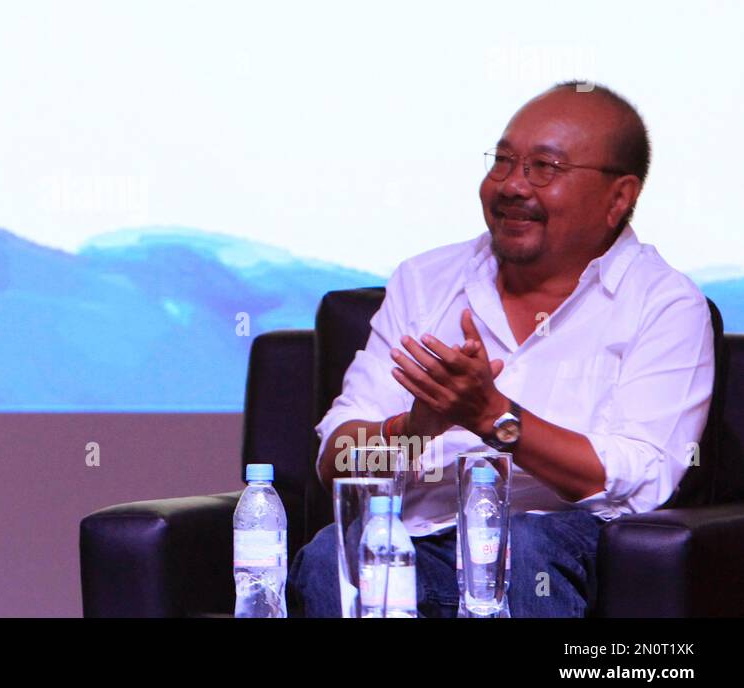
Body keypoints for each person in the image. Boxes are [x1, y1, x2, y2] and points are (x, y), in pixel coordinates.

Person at [289, 81, 714, 618]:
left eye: (544, 167)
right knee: (334, 552)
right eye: (504, 162)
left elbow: (646, 479)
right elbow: (337, 460)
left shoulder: (664, 303)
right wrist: (415, 430)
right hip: (414, 544)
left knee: (526, 550)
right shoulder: (425, 281)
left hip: (561, 550)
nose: (512, 185)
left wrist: (496, 418)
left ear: (619, 197)